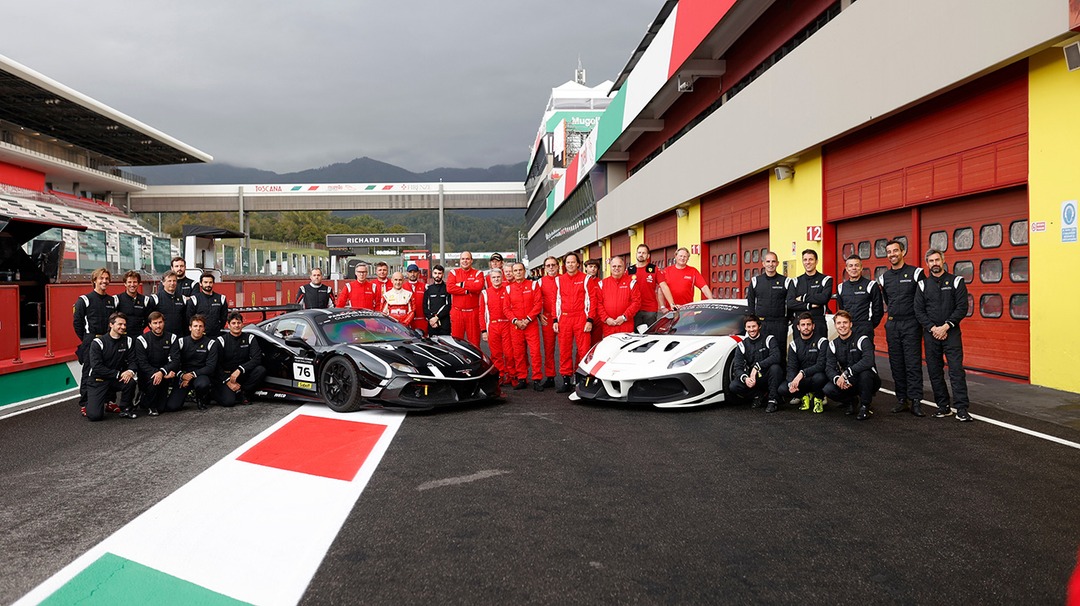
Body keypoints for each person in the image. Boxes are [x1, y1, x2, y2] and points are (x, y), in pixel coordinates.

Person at [914, 249, 972, 422]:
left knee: (956, 371)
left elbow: (962, 307)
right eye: (931, 261)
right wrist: (933, 328)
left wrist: (946, 327)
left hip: (951, 333)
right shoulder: (922, 285)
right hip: (931, 334)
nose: (935, 263)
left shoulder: (956, 281)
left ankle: (961, 408)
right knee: (934, 371)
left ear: (943, 260)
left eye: (937, 260)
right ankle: (943, 406)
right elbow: (918, 310)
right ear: (927, 264)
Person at [877, 239, 925, 416]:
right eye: (889, 252)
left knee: (912, 364)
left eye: (895, 251)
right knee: (896, 364)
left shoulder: (916, 273)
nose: (892, 254)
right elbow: (887, 300)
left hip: (911, 324)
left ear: (903, 252)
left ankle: (916, 401)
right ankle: (902, 400)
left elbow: (923, 299)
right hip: (893, 324)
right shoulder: (884, 278)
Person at [73, 267, 117, 414]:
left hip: (108, 340)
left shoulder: (112, 300)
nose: (104, 281)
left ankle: (109, 401)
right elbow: (77, 323)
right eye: (101, 278)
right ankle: (85, 403)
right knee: (89, 371)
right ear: (94, 280)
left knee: (110, 368)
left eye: (107, 279)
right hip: (91, 340)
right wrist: (87, 339)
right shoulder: (84, 300)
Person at [823, 311, 882, 420]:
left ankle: (865, 406)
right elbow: (829, 367)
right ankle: (851, 401)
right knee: (828, 389)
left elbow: (868, 361)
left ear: (850, 324)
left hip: (868, 380)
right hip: (848, 381)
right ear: (835, 325)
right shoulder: (832, 344)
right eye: (839, 323)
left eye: (845, 322)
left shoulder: (862, 339)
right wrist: (837, 379)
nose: (842, 326)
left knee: (865, 374)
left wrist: (847, 373)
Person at [553, 252, 596, 393]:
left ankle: (581, 380)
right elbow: (556, 301)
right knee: (564, 350)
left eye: (573, 262)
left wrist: (590, 319)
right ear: (564, 265)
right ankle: (566, 380)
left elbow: (592, 300)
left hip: (581, 317)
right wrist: (555, 319)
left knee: (584, 350)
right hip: (564, 318)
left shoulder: (586, 278)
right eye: (568, 262)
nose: (570, 265)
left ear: (578, 264)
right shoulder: (559, 280)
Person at [84, 312, 138, 421]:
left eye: (124, 324)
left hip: (115, 379)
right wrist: (118, 374)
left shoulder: (128, 341)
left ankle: (126, 409)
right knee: (95, 416)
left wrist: (130, 371)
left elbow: (133, 361)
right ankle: (92, 403)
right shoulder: (98, 342)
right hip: (98, 380)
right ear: (111, 324)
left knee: (130, 382)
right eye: (120, 324)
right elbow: (97, 367)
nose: (123, 327)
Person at [727, 315, 783, 412]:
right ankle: (758, 395)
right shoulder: (742, 345)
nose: (751, 329)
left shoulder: (769, 339)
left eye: (754, 326)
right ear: (745, 328)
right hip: (753, 379)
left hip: (768, 376)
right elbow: (737, 368)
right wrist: (745, 378)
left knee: (775, 368)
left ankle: (772, 400)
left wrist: (757, 366)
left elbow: (776, 357)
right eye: (749, 327)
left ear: (759, 326)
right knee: (734, 386)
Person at [166, 314, 219, 412]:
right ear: (190, 328)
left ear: (204, 329)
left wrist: (192, 375)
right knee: (172, 407)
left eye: (200, 326)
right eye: (195, 326)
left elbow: (210, 367)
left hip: (200, 374)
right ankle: (185, 395)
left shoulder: (211, 343)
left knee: (203, 384)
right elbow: (173, 362)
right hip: (183, 375)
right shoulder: (181, 342)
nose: (198, 329)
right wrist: (181, 375)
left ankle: (201, 398)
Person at [778, 313, 828, 413]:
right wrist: (791, 383)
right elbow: (791, 367)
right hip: (802, 380)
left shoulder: (822, 341)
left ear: (813, 326)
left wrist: (802, 373)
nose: (806, 327)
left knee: (820, 377)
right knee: (782, 389)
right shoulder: (794, 345)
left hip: (817, 377)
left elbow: (821, 365)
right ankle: (803, 396)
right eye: (803, 325)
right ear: (798, 327)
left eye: (808, 324)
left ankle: (818, 398)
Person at [215, 312, 267, 407]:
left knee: (260, 370)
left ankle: (243, 392)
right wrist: (227, 381)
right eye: (233, 323)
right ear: (228, 325)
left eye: (239, 323)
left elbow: (257, 359)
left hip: (242, 373)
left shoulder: (250, 338)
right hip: (227, 376)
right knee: (228, 402)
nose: (236, 325)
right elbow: (216, 364)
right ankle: (214, 392)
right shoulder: (221, 340)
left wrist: (240, 369)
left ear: (242, 324)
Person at [746, 251, 790, 364]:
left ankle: (781, 373)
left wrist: (787, 320)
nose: (771, 264)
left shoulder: (785, 281)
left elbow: (790, 303)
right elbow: (750, 302)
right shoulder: (755, 281)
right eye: (768, 261)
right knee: (762, 352)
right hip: (762, 323)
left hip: (779, 324)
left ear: (777, 263)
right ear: (763, 263)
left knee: (780, 352)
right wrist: (753, 322)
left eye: (773, 261)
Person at [506, 262, 544, 391]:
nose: (518, 272)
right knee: (519, 353)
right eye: (515, 270)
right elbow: (506, 308)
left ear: (524, 271)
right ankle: (522, 378)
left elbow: (538, 304)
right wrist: (515, 321)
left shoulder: (533, 285)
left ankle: (537, 379)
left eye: (520, 270)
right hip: (516, 326)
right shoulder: (508, 288)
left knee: (535, 352)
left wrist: (527, 319)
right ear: (512, 273)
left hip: (530, 324)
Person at [133, 311, 179, 417]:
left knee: (162, 408)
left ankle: (145, 399)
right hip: (148, 374)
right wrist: (158, 373)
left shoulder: (172, 338)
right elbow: (142, 363)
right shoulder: (142, 340)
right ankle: (150, 404)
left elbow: (176, 360)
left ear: (164, 322)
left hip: (165, 373)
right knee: (154, 381)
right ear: (150, 325)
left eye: (160, 322)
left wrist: (162, 372)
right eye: (155, 323)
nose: (158, 326)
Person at [786, 249, 833, 341]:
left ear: (816, 261)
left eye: (811, 259)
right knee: (799, 349)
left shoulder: (826, 279)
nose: (808, 262)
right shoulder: (795, 281)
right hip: (800, 323)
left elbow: (823, 298)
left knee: (821, 349)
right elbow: (790, 303)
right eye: (805, 260)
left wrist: (803, 297)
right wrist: (809, 305)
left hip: (818, 322)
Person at [835, 255, 883, 342]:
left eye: (856, 265)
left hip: (864, 328)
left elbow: (878, 310)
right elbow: (842, 310)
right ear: (846, 269)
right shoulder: (841, 287)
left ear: (861, 268)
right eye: (851, 266)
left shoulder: (871, 285)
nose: (854, 268)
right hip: (847, 329)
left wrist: (869, 325)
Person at [480, 269, 513, 386]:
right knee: (496, 354)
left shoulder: (508, 290)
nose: (496, 279)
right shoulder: (485, 293)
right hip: (493, 326)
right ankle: (499, 375)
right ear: (490, 279)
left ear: (502, 277)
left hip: (507, 325)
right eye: (494, 277)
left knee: (509, 353)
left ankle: (511, 375)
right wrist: (483, 330)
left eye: (498, 277)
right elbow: (482, 313)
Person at [446, 251, 485, 346]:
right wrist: (467, 291)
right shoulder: (454, 272)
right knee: (456, 343)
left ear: (471, 260)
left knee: (474, 343)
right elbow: (450, 288)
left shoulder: (478, 273)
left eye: (467, 259)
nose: (465, 261)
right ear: (460, 260)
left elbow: (478, 286)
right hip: (457, 312)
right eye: (463, 259)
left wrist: (462, 284)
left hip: (473, 312)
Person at [596, 255, 641, 337]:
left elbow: (636, 302)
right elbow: (598, 304)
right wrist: (606, 318)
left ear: (624, 268)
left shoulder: (631, 283)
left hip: (626, 324)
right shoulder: (602, 284)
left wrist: (624, 317)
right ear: (610, 267)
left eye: (619, 266)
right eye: (614, 266)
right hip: (608, 325)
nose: (616, 268)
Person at [627, 244, 663, 331]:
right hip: (634, 309)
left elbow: (663, 286)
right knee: (635, 335)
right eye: (639, 252)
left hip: (650, 310)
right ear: (636, 254)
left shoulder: (654, 269)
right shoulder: (629, 270)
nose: (641, 254)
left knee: (650, 334)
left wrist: (670, 304)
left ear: (648, 256)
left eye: (644, 253)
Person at [538, 256, 561, 388]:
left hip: (563, 317)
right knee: (548, 349)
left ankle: (567, 376)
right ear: (544, 268)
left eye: (553, 265)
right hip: (547, 318)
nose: (551, 267)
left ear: (558, 266)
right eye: (548, 265)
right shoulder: (540, 282)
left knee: (565, 349)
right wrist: (539, 314)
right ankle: (550, 376)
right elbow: (536, 300)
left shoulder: (563, 279)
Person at [186, 273, 229, 337]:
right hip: (200, 336)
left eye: (210, 282)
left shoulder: (221, 298)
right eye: (205, 282)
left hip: (216, 335)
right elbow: (189, 318)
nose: (208, 285)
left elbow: (224, 317)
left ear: (213, 283)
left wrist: (218, 327)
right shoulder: (194, 299)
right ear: (201, 283)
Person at [150, 270, 188, 338]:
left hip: (179, 337)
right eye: (169, 281)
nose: (172, 283)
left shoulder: (183, 299)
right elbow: (149, 319)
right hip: (161, 337)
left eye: (174, 281)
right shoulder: (155, 299)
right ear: (163, 283)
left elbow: (185, 319)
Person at [114, 270, 150, 336]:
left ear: (138, 283)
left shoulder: (145, 300)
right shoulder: (117, 299)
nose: (132, 285)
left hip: (138, 336)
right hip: (122, 336)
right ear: (125, 284)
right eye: (129, 282)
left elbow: (148, 319)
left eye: (135, 282)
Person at [423, 264, 452, 336]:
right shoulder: (428, 289)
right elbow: (425, 306)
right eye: (435, 273)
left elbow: (448, 305)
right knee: (432, 342)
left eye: (439, 273)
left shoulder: (447, 289)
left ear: (443, 274)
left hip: (444, 323)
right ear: (432, 274)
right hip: (432, 323)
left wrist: (437, 317)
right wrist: (431, 319)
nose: (437, 275)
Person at [583, 259, 605, 348]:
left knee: (596, 343)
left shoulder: (601, 283)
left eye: (595, 267)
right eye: (590, 266)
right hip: (584, 316)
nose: (593, 269)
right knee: (584, 344)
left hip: (597, 317)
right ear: (586, 268)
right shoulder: (582, 281)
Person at [404, 263, 428, 335]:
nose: (412, 274)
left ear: (418, 273)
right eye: (410, 272)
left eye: (414, 272)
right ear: (407, 273)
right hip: (407, 321)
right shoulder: (403, 287)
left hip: (421, 320)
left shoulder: (424, 287)